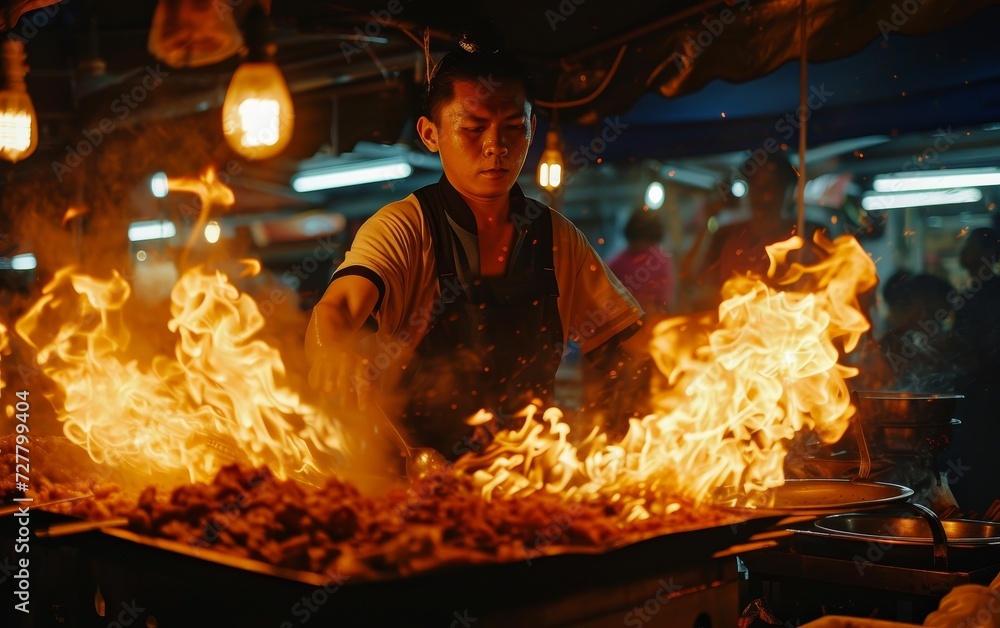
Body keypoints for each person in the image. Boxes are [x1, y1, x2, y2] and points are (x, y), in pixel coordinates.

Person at [305, 34, 643, 462]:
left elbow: (625, 354)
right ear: (430, 133)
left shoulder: (559, 238)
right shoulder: (404, 227)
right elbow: (336, 309)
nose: (495, 146)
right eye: (473, 128)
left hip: (529, 485)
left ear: (532, 129)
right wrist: (332, 352)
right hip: (415, 486)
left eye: (514, 128)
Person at [947, 227, 1000, 515]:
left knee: (981, 466)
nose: (963, 251)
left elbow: (976, 352)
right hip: (974, 398)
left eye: (970, 245)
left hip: (985, 402)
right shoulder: (971, 294)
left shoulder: (989, 295)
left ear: (989, 254)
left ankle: (983, 529)